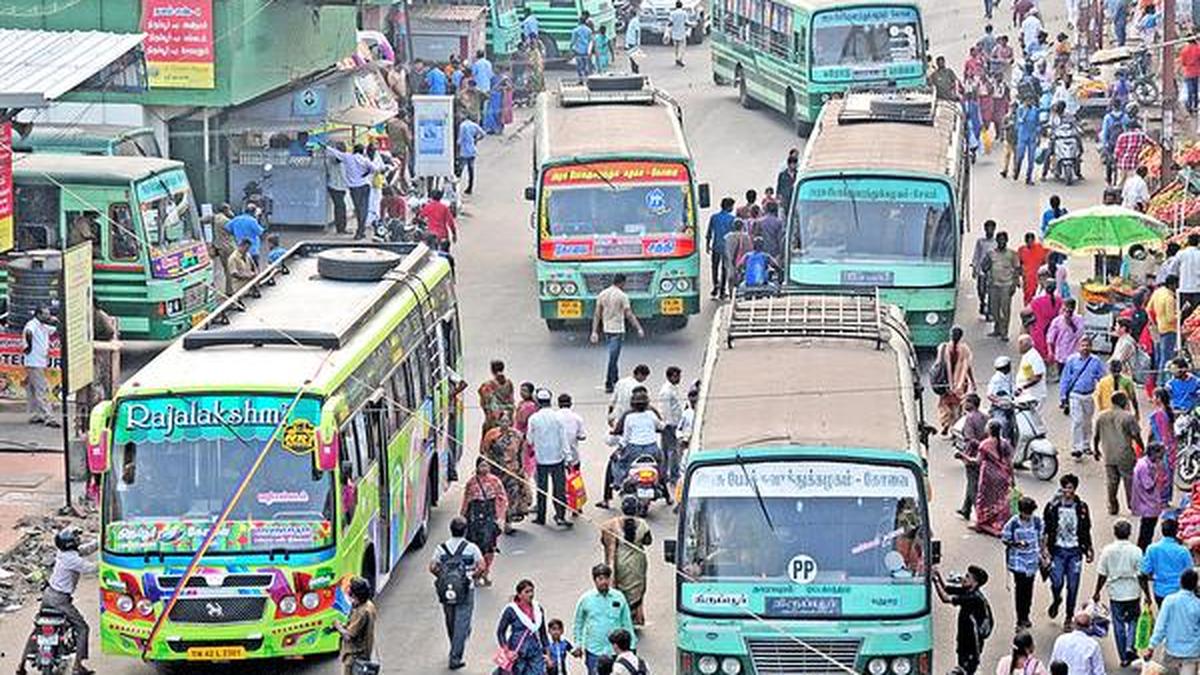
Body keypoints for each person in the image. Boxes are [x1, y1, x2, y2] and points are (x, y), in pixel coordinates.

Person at [17, 529, 95, 675]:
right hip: (61, 600)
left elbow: (85, 549)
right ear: (71, 543)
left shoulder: (63, 554)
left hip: (48, 594)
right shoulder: (73, 560)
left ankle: (21, 666)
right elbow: (91, 568)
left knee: (37, 628)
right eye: (76, 538)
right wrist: (109, 561)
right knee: (83, 628)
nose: (79, 539)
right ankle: (78, 667)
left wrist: (99, 542)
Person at [430, 517, 484, 670]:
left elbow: (432, 567)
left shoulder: (441, 548)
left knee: (450, 620)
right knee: (463, 623)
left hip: (447, 591)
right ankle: (455, 657)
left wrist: (443, 578)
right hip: (466, 590)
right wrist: (471, 577)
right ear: (465, 530)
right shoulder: (472, 548)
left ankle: (455, 644)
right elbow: (481, 566)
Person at [1044, 473, 1095, 628]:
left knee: (1073, 586)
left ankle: (1068, 617)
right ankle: (1056, 597)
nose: (1067, 491)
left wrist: (1089, 548)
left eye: (1070, 488)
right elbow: (1046, 529)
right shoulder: (1052, 506)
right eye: (1064, 488)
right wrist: (1045, 549)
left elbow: (1086, 529)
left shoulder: (1082, 508)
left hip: (1075, 552)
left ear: (1074, 489)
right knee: (1057, 581)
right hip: (1058, 551)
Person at [1093, 520, 1145, 666]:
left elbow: (1102, 574)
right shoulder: (1136, 551)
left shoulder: (1107, 551)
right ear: (1129, 533)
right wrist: (1146, 594)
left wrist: (1097, 591)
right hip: (1133, 591)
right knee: (1134, 619)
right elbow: (1141, 575)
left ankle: (1123, 657)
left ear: (1114, 533)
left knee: (1118, 624)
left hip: (1116, 593)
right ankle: (1130, 645)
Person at [572, 564, 636, 675]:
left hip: (616, 651)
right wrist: (578, 644)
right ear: (594, 580)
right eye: (600, 579)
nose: (604, 582)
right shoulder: (585, 599)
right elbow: (578, 623)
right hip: (594, 651)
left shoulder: (619, 597)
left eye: (606, 578)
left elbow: (627, 623)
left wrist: (632, 646)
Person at [601, 497, 652, 626]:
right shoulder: (643, 524)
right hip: (637, 561)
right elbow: (648, 541)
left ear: (622, 509)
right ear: (636, 510)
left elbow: (603, 541)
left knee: (620, 589)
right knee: (636, 590)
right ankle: (634, 618)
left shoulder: (612, 524)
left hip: (620, 561)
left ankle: (621, 618)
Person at [933, 565, 991, 675]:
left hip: (972, 643)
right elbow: (946, 589)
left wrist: (934, 581)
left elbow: (945, 598)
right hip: (963, 638)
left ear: (975, 583)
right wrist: (937, 574)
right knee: (961, 665)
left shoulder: (974, 598)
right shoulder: (967, 590)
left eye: (968, 577)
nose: (964, 578)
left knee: (967, 669)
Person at [591, 274, 645, 394]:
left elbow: (597, 314)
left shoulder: (602, 294)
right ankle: (609, 383)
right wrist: (638, 328)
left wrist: (594, 331)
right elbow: (629, 314)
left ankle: (616, 381)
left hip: (607, 330)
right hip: (617, 330)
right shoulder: (623, 296)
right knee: (613, 358)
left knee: (613, 357)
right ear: (622, 283)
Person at [527, 388, 573, 528]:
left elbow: (530, 440)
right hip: (557, 458)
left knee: (542, 490)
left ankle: (541, 517)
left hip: (541, 459)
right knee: (559, 490)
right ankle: (560, 516)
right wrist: (568, 457)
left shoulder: (534, 418)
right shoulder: (557, 417)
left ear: (538, 402)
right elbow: (563, 438)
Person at [1094, 391, 1142, 515]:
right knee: (1129, 480)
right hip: (1125, 453)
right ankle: (1133, 506)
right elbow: (1136, 435)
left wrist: (1096, 450)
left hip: (1109, 453)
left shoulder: (1102, 416)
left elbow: (1096, 436)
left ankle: (1113, 506)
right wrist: (1142, 447)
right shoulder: (1127, 417)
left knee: (1112, 482)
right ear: (1123, 402)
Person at [483, 413, 533, 531]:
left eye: (507, 421)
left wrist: (521, 469)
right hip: (496, 471)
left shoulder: (517, 436)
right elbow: (485, 451)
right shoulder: (491, 435)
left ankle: (508, 521)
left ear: (510, 422)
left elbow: (521, 453)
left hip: (512, 472)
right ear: (499, 422)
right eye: (502, 421)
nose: (504, 423)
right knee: (497, 496)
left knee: (512, 495)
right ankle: (496, 519)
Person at [461, 457, 507, 585]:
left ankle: (486, 572)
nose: (484, 469)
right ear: (477, 467)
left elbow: (502, 499)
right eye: (482, 466)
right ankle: (477, 573)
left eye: (486, 466)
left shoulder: (495, 481)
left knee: (489, 547)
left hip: (490, 516)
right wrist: (462, 517)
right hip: (474, 517)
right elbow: (466, 501)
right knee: (476, 547)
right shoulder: (471, 483)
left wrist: (500, 518)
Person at [1002, 496, 1045, 629]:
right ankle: (1020, 619)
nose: (1028, 516)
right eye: (1026, 513)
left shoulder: (1037, 522)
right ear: (1020, 511)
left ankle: (1026, 615)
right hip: (1018, 562)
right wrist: (1016, 543)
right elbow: (1005, 538)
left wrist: (1044, 555)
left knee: (1029, 590)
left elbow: (1042, 539)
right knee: (1020, 591)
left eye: (1030, 513)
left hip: (1032, 561)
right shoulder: (1013, 523)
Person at [1145, 569, 1200, 673]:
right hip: (1192, 653)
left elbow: (1160, 627)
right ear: (1195, 585)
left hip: (1172, 651)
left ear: (1180, 582)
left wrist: (1151, 647)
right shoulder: (1198, 604)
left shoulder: (1169, 600)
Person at [1059, 337, 1105, 459]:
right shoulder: (1071, 361)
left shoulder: (1096, 361)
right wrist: (1063, 396)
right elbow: (1065, 379)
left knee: (1087, 422)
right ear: (1078, 347)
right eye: (1082, 345)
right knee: (1077, 421)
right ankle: (1076, 448)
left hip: (1089, 395)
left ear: (1091, 347)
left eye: (1087, 345)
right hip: (1075, 395)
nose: (1085, 348)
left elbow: (1102, 378)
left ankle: (1086, 445)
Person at [497, 579, 551, 675]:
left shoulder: (538, 609)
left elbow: (543, 633)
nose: (530, 594)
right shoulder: (511, 610)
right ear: (519, 594)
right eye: (527, 592)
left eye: (531, 591)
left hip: (534, 651)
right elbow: (500, 632)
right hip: (517, 652)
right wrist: (507, 651)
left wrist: (548, 654)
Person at [322, 143, 376, 239]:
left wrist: (326, 147)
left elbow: (334, 153)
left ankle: (358, 231)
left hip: (353, 188)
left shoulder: (347, 158)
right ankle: (357, 230)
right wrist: (365, 173)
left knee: (358, 209)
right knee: (362, 209)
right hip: (361, 186)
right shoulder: (361, 159)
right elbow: (374, 168)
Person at [1140, 518, 1195, 606]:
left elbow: (1144, 572)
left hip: (1160, 592)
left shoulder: (1152, 549)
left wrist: (1148, 595)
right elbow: (1191, 572)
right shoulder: (1183, 551)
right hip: (1179, 592)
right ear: (1176, 532)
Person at [975, 420, 1014, 536]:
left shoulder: (984, 445)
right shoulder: (1005, 443)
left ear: (989, 430)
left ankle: (984, 522)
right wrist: (1012, 478)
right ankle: (999, 523)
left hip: (988, 476)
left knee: (985, 500)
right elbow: (1010, 463)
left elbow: (977, 461)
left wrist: (963, 456)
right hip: (1003, 475)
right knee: (1000, 500)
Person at [330, 576, 377, 675]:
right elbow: (354, 625)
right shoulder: (368, 605)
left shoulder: (362, 612)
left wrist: (338, 626)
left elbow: (349, 636)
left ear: (355, 595)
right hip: (364, 653)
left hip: (355, 657)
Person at [935, 326, 977, 434]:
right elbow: (968, 367)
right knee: (957, 406)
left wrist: (949, 384)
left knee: (944, 404)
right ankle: (955, 427)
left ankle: (945, 423)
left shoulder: (944, 348)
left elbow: (946, 366)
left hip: (945, 383)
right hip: (961, 384)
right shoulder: (965, 349)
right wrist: (972, 382)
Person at [22, 305, 58, 427]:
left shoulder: (43, 326)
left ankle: (38, 414)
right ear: (38, 314)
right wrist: (29, 347)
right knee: (41, 388)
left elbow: (54, 330)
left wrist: (57, 321)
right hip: (34, 361)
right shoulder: (32, 325)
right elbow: (28, 333)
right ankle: (49, 416)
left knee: (32, 388)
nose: (48, 316)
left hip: (38, 361)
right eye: (45, 314)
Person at [956, 393, 990, 520]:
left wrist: (980, 445)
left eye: (966, 402)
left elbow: (970, 438)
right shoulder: (985, 417)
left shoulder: (969, 418)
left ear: (971, 404)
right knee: (971, 481)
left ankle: (979, 513)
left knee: (972, 484)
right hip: (984, 455)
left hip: (972, 455)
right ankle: (966, 508)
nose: (964, 404)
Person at [985, 231, 1023, 340]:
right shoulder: (991, 253)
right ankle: (997, 328)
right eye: (999, 239)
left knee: (1005, 310)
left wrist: (1014, 284)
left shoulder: (1012, 254)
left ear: (1006, 240)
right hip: (993, 285)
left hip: (1006, 285)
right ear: (996, 241)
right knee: (994, 310)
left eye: (1003, 239)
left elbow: (1017, 269)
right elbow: (985, 267)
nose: (1001, 241)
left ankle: (1004, 332)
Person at [1132, 442, 1169, 552]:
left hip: (1151, 502)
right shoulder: (1144, 466)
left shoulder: (1148, 463)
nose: (1162, 458)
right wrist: (1158, 473)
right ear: (1154, 453)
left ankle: (1143, 550)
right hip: (1147, 503)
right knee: (1146, 531)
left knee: (1148, 529)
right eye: (1161, 455)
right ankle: (1142, 552)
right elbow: (1149, 486)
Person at [658, 366, 685, 487]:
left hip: (674, 424)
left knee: (667, 451)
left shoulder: (673, 388)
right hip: (670, 425)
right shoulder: (666, 391)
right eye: (676, 376)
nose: (678, 378)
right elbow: (665, 410)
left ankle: (664, 474)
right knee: (672, 451)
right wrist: (669, 425)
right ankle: (673, 475)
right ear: (669, 377)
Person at [479, 359, 516, 445]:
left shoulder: (488, 385)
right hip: (508, 418)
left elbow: (485, 402)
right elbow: (511, 400)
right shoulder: (509, 383)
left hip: (493, 421)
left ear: (492, 370)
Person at [1047, 298, 1086, 378]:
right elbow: (1050, 337)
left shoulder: (1079, 319)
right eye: (1064, 309)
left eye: (1069, 311)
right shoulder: (1057, 321)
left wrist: (1071, 324)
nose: (1066, 313)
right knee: (1062, 378)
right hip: (1061, 355)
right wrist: (1050, 351)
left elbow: (1080, 335)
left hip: (1074, 355)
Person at [1148, 275, 1180, 371]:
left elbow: (1149, 309)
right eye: (1176, 285)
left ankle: (1157, 379)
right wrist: (1180, 314)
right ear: (1172, 285)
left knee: (1159, 357)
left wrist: (1155, 322)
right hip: (1169, 330)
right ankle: (1162, 382)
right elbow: (1170, 319)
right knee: (1167, 358)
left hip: (1158, 329)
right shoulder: (1169, 298)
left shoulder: (1157, 292)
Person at [706, 197, 735, 299]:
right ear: (729, 207)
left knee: (714, 267)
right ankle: (722, 290)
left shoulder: (714, 217)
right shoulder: (732, 219)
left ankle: (715, 286)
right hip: (726, 247)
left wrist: (707, 244)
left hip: (716, 245)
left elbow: (709, 231)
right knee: (724, 268)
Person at [1015, 333, 1047, 411]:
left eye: (1020, 345)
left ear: (1025, 345)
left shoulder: (1034, 357)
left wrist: (1023, 387)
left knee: (1033, 418)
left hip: (1034, 395)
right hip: (1027, 394)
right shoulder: (1027, 356)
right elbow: (1029, 374)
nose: (1018, 348)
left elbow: (1037, 377)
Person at [973, 220, 998, 318]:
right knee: (981, 290)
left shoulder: (997, 242)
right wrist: (975, 268)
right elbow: (976, 255)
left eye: (992, 228)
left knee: (991, 291)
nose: (990, 230)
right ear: (985, 229)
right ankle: (982, 302)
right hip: (982, 271)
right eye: (988, 228)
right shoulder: (980, 242)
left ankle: (989, 311)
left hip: (992, 271)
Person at [1014, 97, 1041, 184]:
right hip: (1022, 136)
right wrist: (1025, 112)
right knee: (1020, 156)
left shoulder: (1035, 110)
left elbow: (1038, 123)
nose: (1029, 102)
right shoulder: (1020, 109)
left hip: (1032, 136)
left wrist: (1038, 135)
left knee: (1031, 158)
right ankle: (1017, 170)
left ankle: (1028, 177)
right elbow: (1020, 121)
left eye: (1030, 100)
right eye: (1027, 101)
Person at [558, 393, 587, 472]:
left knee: (559, 480)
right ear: (571, 404)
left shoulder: (555, 417)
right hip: (573, 454)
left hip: (558, 456)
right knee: (575, 480)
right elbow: (582, 436)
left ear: (558, 404)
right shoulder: (577, 418)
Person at [457, 116, 485, 195]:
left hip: (464, 151)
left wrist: (457, 148)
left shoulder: (462, 126)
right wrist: (476, 140)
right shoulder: (474, 125)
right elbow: (483, 134)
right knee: (471, 170)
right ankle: (470, 187)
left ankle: (456, 188)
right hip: (472, 150)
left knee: (460, 170)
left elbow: (460, 140)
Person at [723, 219, 753, 292]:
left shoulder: (727, 237)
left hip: (731, 261)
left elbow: (725, 250)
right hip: (742, 261)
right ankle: (739, 294)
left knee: (731, 278)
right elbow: (750, 249)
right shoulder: (746, 237)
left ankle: (731, 294)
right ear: (742, 226)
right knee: (741, 278)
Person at [1018, 233, 1048, 304]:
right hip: (1027, 279)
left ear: (1034, 240)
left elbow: (1047, 258)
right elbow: (1018, 264)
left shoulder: (1040, 248)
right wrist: (1018, 279)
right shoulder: (1021, 250)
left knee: (1039, 298)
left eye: (1031, 241)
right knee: (1028, 297)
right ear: (1025, 241)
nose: (1030, 243)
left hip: (1039, 278)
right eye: (1028, 241)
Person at [324, 148, 349, 234]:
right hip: (335, 186)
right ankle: (341, 228)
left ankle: (341, 228)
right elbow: (337, 160)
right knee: (340, 207)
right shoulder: (333, 159)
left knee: (340, 207)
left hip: (340, 186)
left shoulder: (336, 160)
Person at [571, 13, 594, 80]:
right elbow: (591, 41)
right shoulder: (589, 30)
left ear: (579, 21)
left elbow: (573, 41)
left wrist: (571, 48)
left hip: (578, 51)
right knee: (586, 66)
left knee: (579, 67)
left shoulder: (575, 30)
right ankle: (587, 79)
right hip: (586, 51)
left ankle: (581, 79)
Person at [668, 0, 689, 66]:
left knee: (676, 47)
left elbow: (670, 23)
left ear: (675, 6)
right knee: (683, 46)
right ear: (682, 6)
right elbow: (686, 23)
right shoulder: (684, 13)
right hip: (682, 32)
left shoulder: (672, 13)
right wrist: (692, 25)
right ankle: (680, 59)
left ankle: (676, 58)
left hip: (674, 32)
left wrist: (667, 30)